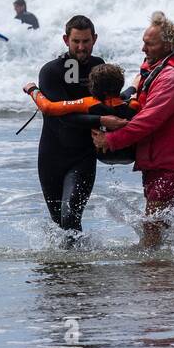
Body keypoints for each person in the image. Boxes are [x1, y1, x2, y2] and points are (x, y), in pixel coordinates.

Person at [93, 12, 174, 247]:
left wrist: (111, 140)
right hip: (156, 157)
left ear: (168, 45)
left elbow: (149, 119)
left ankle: (150, 271)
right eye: (143, 42)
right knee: (161, 218)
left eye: (149, 44)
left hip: (168, 160)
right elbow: (139, 85)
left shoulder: (173, 78)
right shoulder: (157, 69)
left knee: (152, 222)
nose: (143, 49)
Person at [30, 15, 106, 242]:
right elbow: (65, 118)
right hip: (51, 157)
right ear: (66, 40)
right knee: (58, 224)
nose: (81, 47)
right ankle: (68, 272)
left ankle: (76, 271)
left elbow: (110, 104)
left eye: (86, 41)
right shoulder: (51, 71)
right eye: (76, 41)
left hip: (82, 156)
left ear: (94, 39)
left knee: (71, 216)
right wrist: (101, 120)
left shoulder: (99, 68)